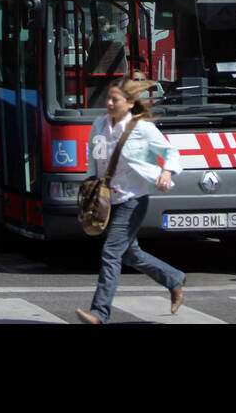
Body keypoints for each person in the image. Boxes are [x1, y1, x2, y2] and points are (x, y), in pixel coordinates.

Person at [77, 78, 185, 324]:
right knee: (130, 254)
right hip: (106, 200)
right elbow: (94, 156)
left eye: (115, 99)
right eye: (108, 98)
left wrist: (166, 173)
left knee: (111, 252)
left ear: (130, 103)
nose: (109, 103)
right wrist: (90, 185)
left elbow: (170, 152)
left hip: (132, 199)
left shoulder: (142, 128)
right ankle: (174, 279)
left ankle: (99, 313)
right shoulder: (100, 124)